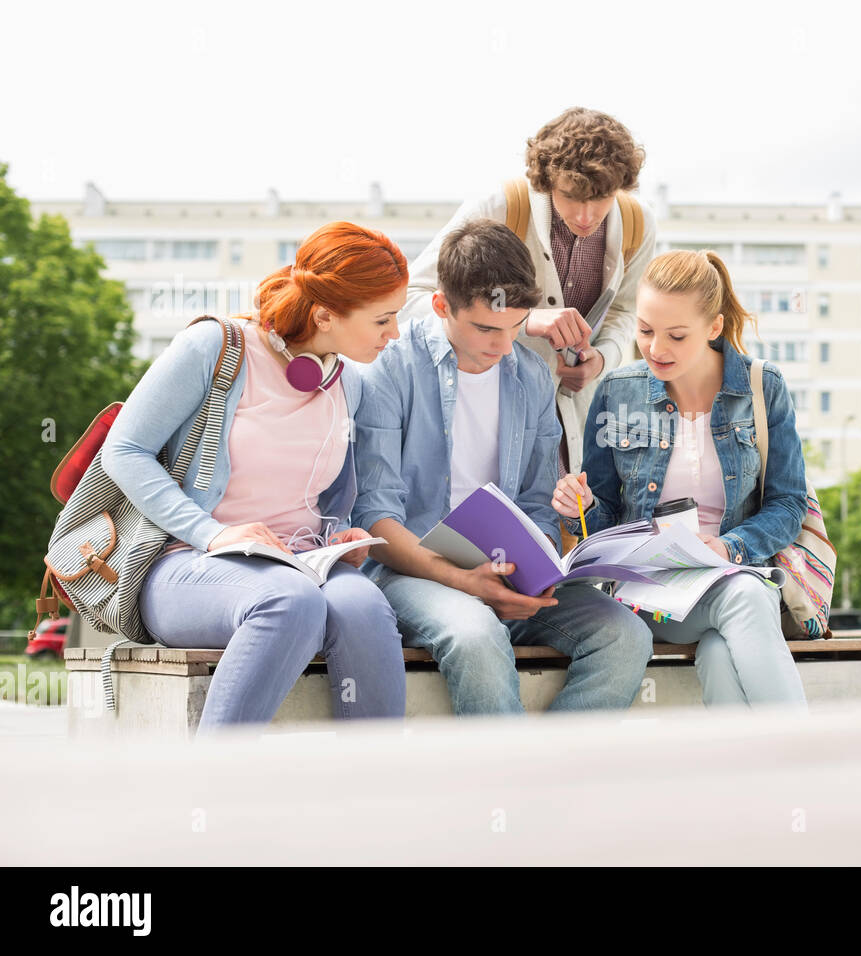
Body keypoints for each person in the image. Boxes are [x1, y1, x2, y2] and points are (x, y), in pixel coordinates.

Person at [101, 221, 410, 734]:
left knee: (364, 609)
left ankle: (370, 797)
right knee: (287, 602)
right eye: (383, 319)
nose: (393, 333)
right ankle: (217, 790)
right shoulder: (215, 348)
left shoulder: (348, 382)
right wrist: (213, 533)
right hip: (187, 563)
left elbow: (320, 495)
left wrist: (340, 540)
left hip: (303, 562)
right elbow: (125, 451)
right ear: (325, 315)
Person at [352, 218, 653, 716]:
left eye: (516, 327)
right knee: (476, 634)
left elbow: (535, 502)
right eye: (487, 328)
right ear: (441, 305)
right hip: (410, 574)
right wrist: (468, 582)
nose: (504, 345)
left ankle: (548, 782)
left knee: (624, 635)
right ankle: (507, 789)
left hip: (503, 574)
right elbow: (375, 518)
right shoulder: (390, 369)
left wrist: (531, 567)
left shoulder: (531, 376)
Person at [551, 250, 808, 709]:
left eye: (676, 335)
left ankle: (741, 775)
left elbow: (788, 504)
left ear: (713, 327)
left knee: (720, 645)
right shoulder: (616, 391)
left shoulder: (762, 387)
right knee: (746, 599)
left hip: (731, 573)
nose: (656, 349)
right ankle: (807, 762)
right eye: (646, 330)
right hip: (648, 593)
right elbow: (606, 517)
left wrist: (730, 548)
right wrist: (583, 507)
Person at [400, 107, 656, 476]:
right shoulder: (499, 207)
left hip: (574, 420)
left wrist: (602, 359)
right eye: (570, 196)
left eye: (601, 197)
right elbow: (413, 298)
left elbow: (625, 313)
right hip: (483, 413)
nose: (586, 216)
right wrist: (522, 318)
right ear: (547, 181)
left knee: (565, 526)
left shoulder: (638, 222)